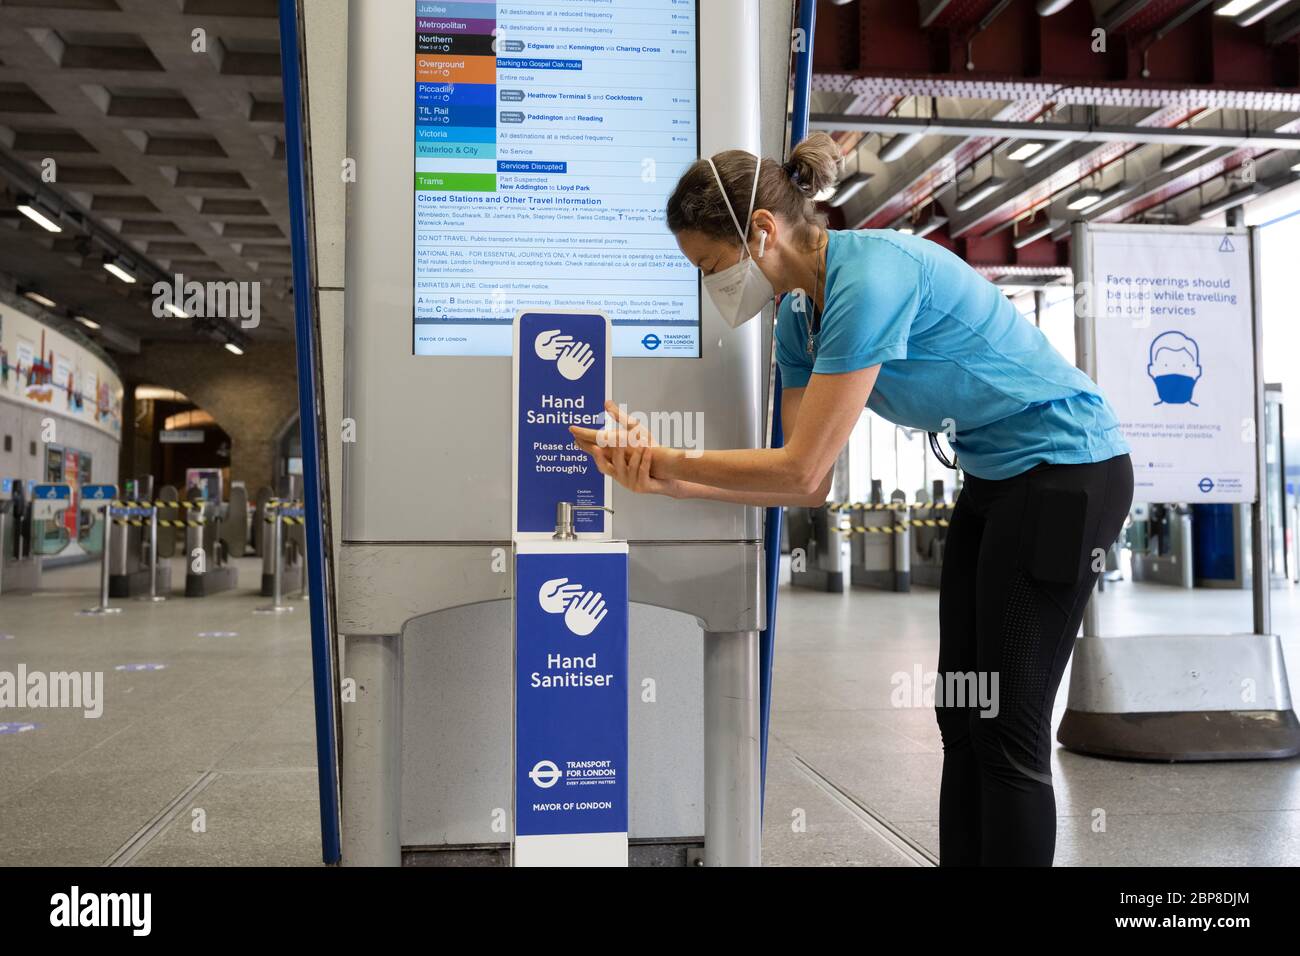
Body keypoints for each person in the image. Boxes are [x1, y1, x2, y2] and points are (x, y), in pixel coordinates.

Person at [570, 132, 1133, 866]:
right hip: (996, 480)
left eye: (710, 266)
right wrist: (662, 475)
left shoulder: (874, 278)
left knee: (1006, 726)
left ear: (763, 231)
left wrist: (671, 462)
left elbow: (802, 469)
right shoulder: (800, 318)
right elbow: (807, 479)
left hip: (1069, 472)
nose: (711, 286)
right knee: (962, 712)